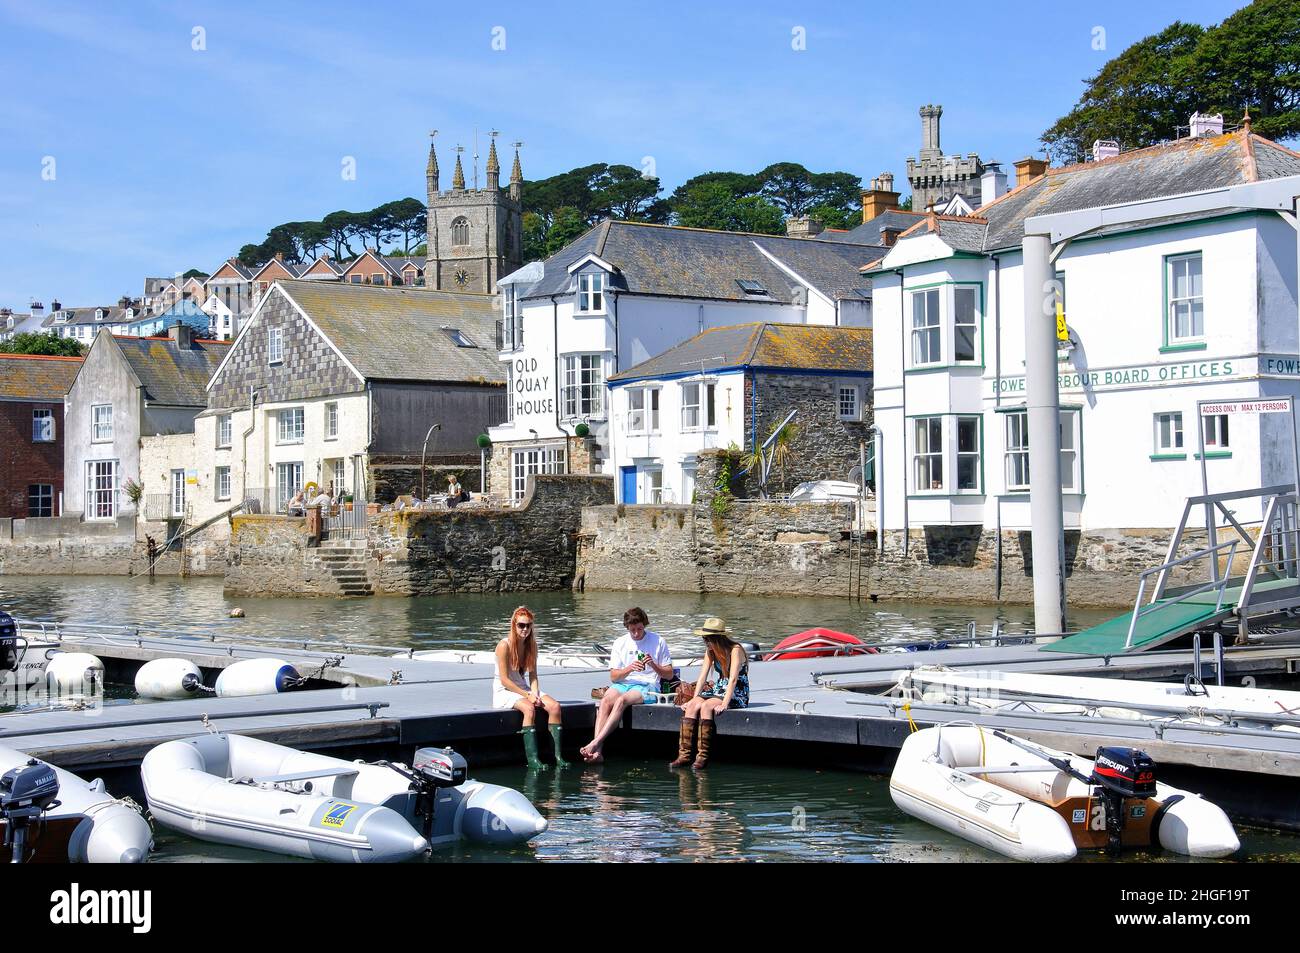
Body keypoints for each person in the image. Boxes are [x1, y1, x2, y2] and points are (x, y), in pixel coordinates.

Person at [580, 607, 673, 763]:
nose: (636, 633)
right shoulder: (620, 643)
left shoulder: (658, 641)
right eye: (633, 630)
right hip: (624, 683)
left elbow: (669, 674)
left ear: (645, 625)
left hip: (647, 684)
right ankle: (597, 754)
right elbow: (614, 677)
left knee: (621, 701)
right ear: (627, 628)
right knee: (604, 702)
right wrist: (630, 668)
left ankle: (595, 743)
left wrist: (654, 665)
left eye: (640, 629)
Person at [493, 606, 569, 770]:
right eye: (521, 625)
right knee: (529, 709)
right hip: (504, 690)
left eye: (528, 625)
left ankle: (557, 757)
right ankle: (533, 760)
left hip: (523, 687)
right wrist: (528, 696)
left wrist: (535, 694)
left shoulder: (531, 645)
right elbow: (505, 680)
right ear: (514, 625)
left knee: (555, 707)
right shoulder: (504, 646)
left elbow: (533, 676)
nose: (525, 629)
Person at [670, 617, 750, 770]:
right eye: (704, 639)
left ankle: (702, 757)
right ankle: (684, 755)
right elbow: (702, 677)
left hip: (736, 691)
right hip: (719, 687)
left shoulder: (735, 650)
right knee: (693, 706)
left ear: (718, 639)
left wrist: (725, 703)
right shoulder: (710, 651)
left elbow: (733, 679)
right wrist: (692, 699)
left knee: (707, 706)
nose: (705, 642)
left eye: (708, 639)